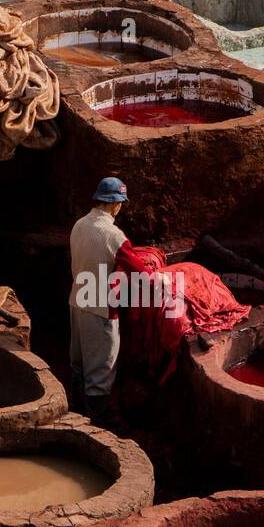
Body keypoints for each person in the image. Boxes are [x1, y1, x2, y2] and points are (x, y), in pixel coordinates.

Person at [67, 177, 151, 421]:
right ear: (116, 205)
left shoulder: (79, 224)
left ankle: (75, 411)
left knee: (79, 362)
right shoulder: (114, 235)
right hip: (100, 310)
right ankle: (96, 425)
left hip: (76, 302)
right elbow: (142, 272)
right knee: (101, 373)